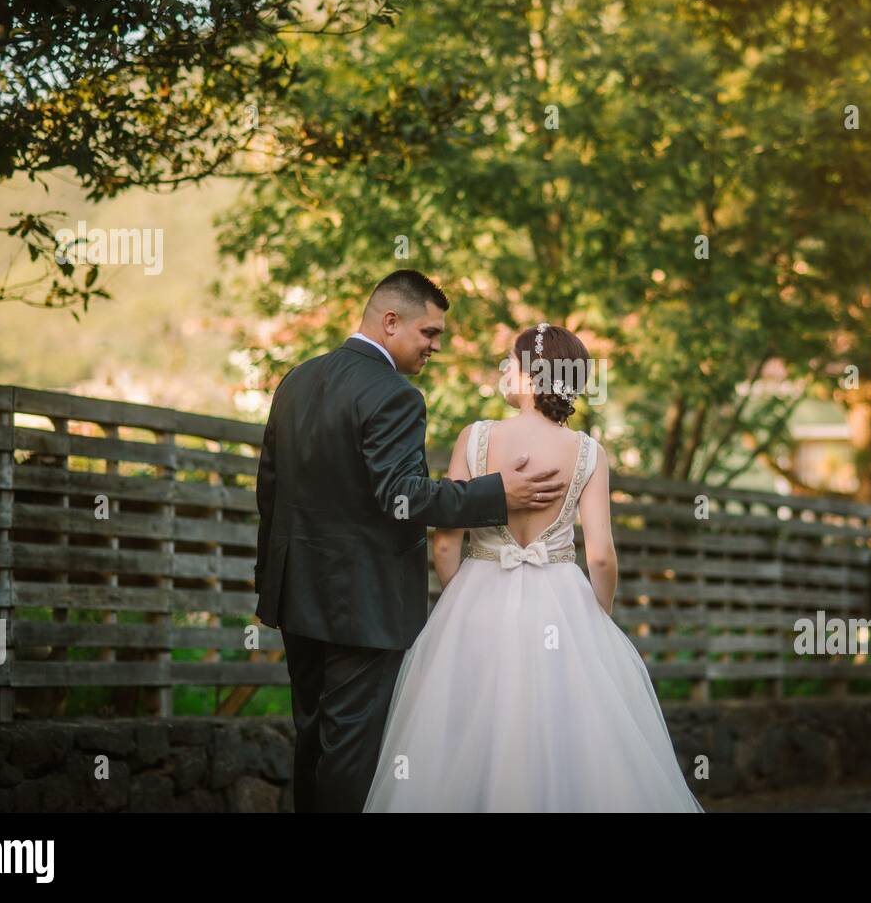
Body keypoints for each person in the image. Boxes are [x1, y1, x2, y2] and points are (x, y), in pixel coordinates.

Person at [253, 270, 565, 812]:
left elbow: (270, 491)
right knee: (352, 750)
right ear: (390, 321)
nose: (436, 347)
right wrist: (497, 492)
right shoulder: (395, 395)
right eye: (429, 333)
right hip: (365, 605)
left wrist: (272, 582)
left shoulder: (296, 381)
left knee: (312, 736)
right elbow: (403, 497)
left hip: (296, 595)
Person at [363, 323, 705, 812]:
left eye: (511, 362)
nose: (505, 370)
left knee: (459, 741)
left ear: (530, 375)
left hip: (477, 597)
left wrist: (465, 593)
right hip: (560, 606)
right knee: (569, 742)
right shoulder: (588, 453)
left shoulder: (477, 438)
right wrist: (598, 618)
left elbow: (444, 544)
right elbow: (602, 554)